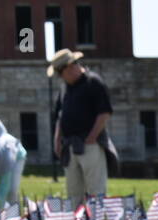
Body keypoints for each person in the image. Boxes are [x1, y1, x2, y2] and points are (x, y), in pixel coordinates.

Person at [49, 48, 117, 202]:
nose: (61, 78)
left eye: (61, 73)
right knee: (74, 193)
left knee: (96, 191)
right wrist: (57, 140)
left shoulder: (93, 82)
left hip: (90, 145)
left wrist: (92, 137)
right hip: (69, 146)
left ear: (70, 67)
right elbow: (60, 115)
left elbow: (104, 112)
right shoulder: (65, 88)